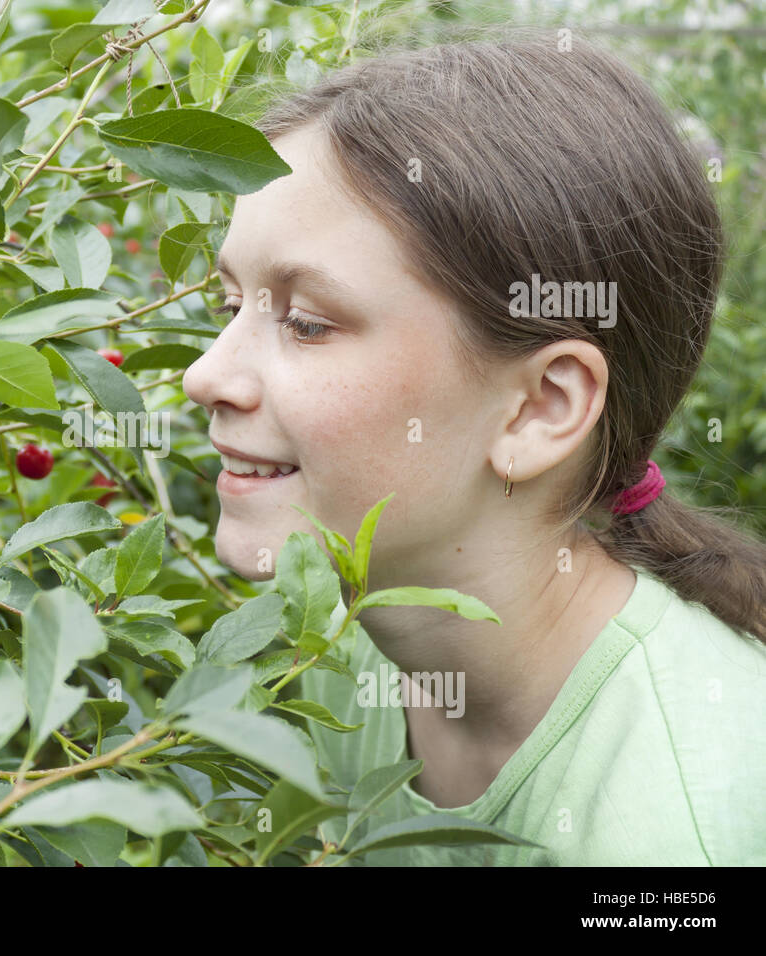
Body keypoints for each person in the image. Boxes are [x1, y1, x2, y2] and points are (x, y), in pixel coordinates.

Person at [181, 33, 766, 865]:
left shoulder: (679, 836)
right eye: (229, 302)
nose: (205, 375)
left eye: (308, 323)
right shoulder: (342, 648)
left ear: (539, 409)